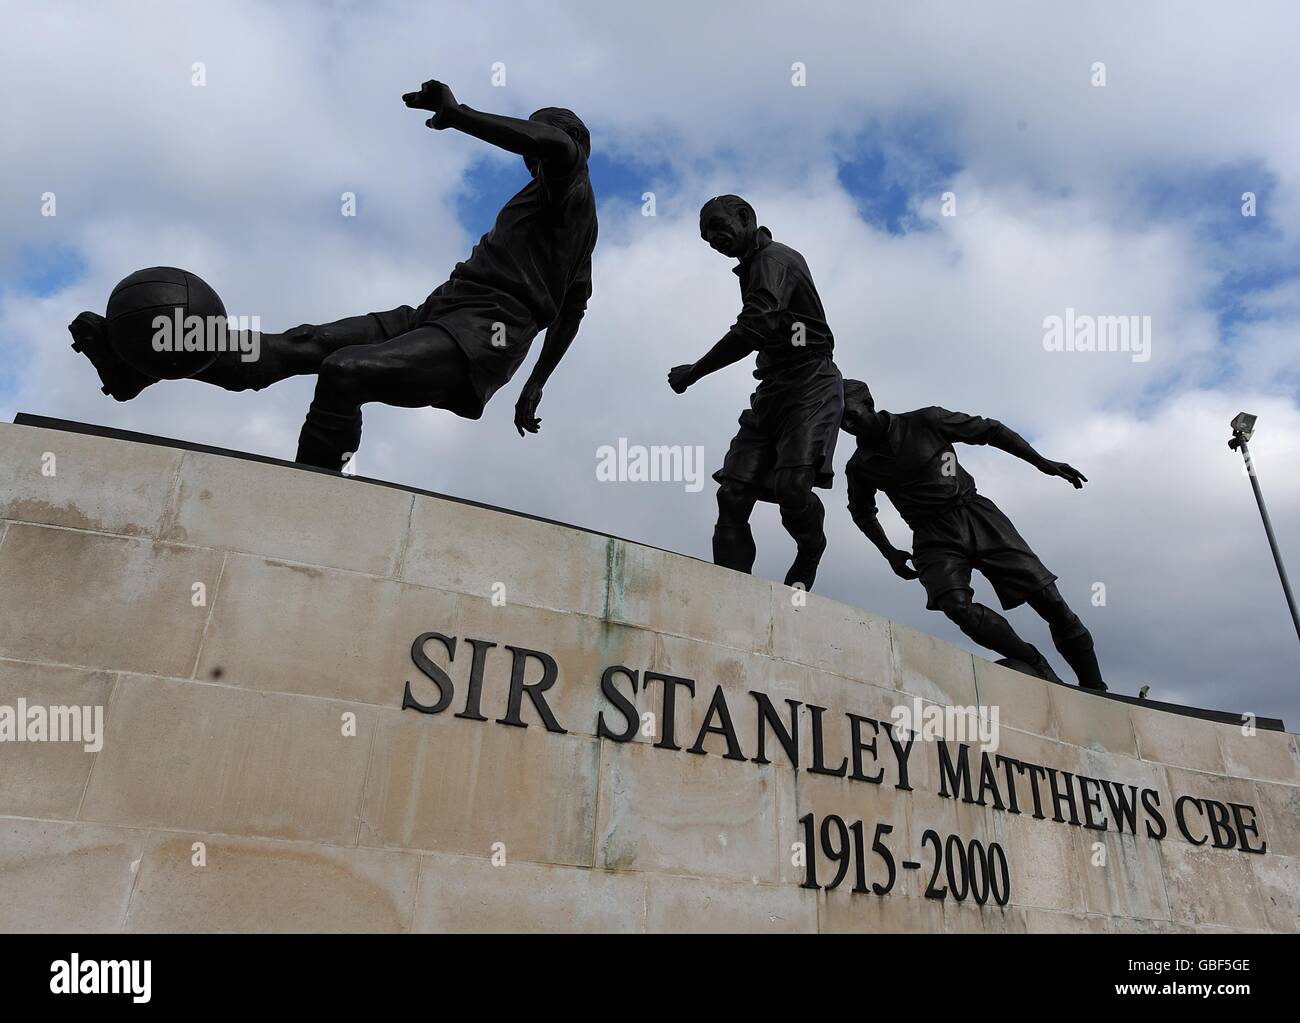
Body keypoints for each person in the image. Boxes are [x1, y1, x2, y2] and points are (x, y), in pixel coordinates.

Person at [70, 79, 597, 468]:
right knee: (301, 343)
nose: (534, 146)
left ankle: (313, 496)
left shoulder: (573, 186)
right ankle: (142, 364)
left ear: (571, 143)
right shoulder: (545, 204)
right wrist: (536, 387)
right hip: (437, 311)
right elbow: (572, 315)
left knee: (347, 371)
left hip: (484, 334)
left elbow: (569, 307)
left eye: (542, 132)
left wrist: (459, 116)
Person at [840, 378, 1106, 689]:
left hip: (975, 515)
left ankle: (1094, 688)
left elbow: (990, 430)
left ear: (868, 403)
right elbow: (862, 512)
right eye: (841, 420)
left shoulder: (926, 420)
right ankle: (1035, 663)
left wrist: (1042, 462)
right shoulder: (859, 466)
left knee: (1048, 600)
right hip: (932, 537)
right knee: (955, 606)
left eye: (851, 414)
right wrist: (890, 553)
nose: (848, 424)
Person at [668, 195, 843, 591]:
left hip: (810, 384)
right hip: (771, 389)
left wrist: (694, 372)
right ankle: (732, 592)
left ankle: (811, 548)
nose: (713, 239)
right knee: (732, 494)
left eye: (718, 226)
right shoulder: (752, 265)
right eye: (707, 236)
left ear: (745, 217)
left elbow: (754, 327)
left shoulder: (773, 260)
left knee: (792, 489)